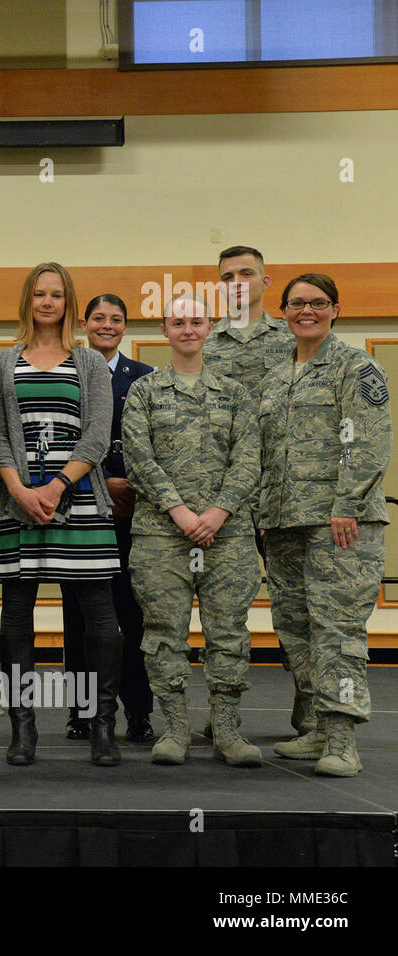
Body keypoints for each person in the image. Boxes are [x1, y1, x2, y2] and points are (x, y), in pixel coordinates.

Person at [0, 262, 122, 766]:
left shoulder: (88, 363)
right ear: (28, 301)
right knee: (16, 618)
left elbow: (98, 434)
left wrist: (59, 485)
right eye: (39, 294)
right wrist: (21, 490)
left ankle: (101, 724)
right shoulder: (3, 363)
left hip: (81, 499)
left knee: (99, 617)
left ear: (68, 303)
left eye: (57, 295)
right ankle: (23, 730)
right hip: (18, 499)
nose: (47, 302)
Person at [122, 295, 262, 766]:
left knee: (228, 633)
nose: (187, 329)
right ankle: (176, 729)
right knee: (164, 634)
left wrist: (219, 511)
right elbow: (138, 457)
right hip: (162, 535)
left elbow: (248, 457)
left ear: (209, 328)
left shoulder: (236, 393)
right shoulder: (145, 391)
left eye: (196, 321)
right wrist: (179, 511)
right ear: (165, 329)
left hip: (229, 535)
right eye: (178, 322)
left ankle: (227, 731)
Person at [259, 274, 389, 777]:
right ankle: (316, 725)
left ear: (335, 309)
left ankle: (343, 740)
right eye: (297, 304)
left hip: (341, 524)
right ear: (284, 311)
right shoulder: (276, 376)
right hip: (284, 522)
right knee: (295, 629)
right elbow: (266, 452)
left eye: (317, 304)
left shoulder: (357, 367)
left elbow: (370, 442)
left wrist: (346, 504)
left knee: (337, 632)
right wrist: (264, 514)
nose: (306, 311)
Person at [202, 245, 304, 736]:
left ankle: (313, 708)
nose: (237, 281)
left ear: (267, 281)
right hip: (227, 503)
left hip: (288, 497)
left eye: (247, 273)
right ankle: (226, 719)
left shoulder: (294, 338)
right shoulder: (206, 343)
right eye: (228, 276)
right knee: (226, 614)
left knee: (296, 608)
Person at [62, 293, 154, 743]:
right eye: (98, 317)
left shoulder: (145, 378)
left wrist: (128, 486)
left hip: (132, 515)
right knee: (79, 619)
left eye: (116, 319)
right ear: (84, 322)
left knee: (134, 617)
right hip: (81, 508)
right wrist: (102, 483)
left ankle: (139, 712)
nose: (107, 325)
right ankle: (81, 714)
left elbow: (153, 445)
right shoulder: (67, 369)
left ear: (125, 326)